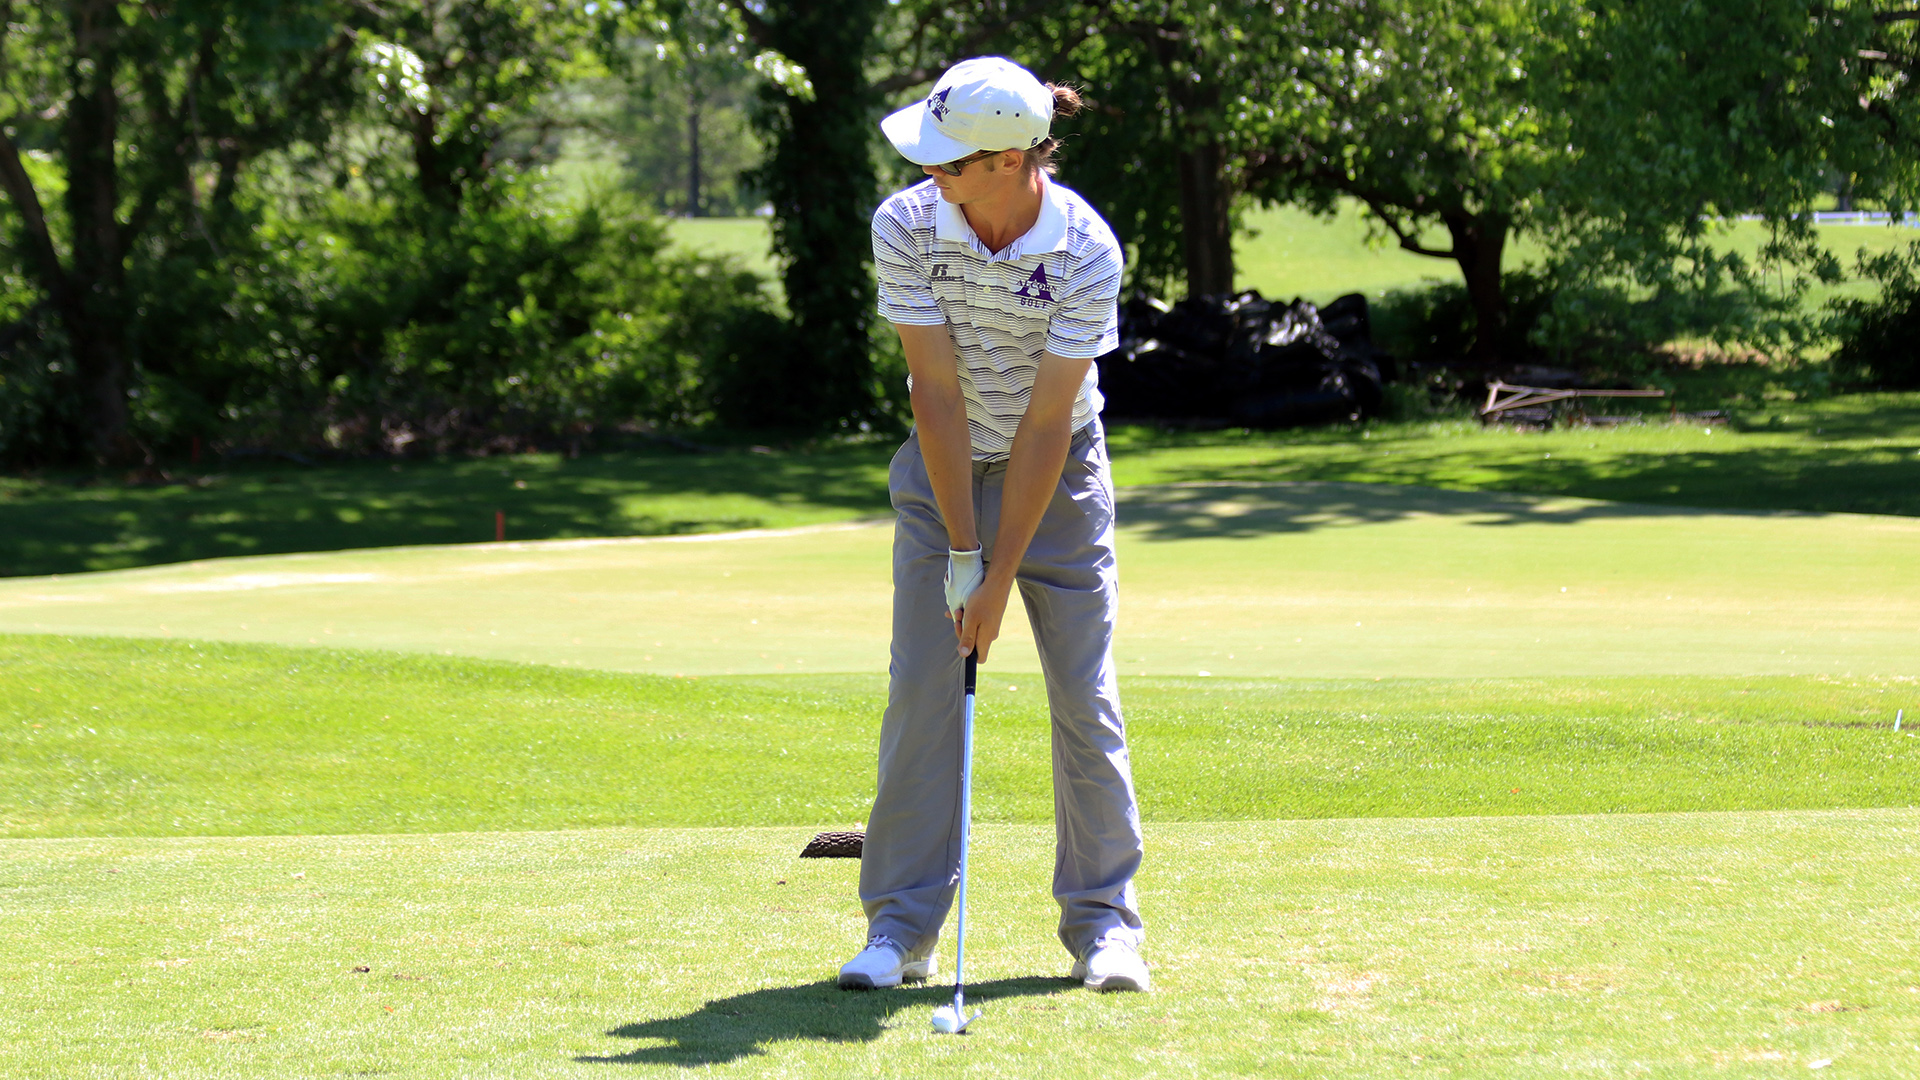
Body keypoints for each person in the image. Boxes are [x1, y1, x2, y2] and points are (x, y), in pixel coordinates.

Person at [837, 56, 1149, 994]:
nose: (928, 172)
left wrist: (999, 575)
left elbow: (1049, 423)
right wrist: (964, 552)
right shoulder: (906, 224)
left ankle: (1104, 928)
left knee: (1084, 697)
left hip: (1059, 471)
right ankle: (901, 930)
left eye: (948, 160)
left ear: (1010, 160)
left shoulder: (1086, 250)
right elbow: (934, 393)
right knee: (921, 692)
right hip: (944, 468)